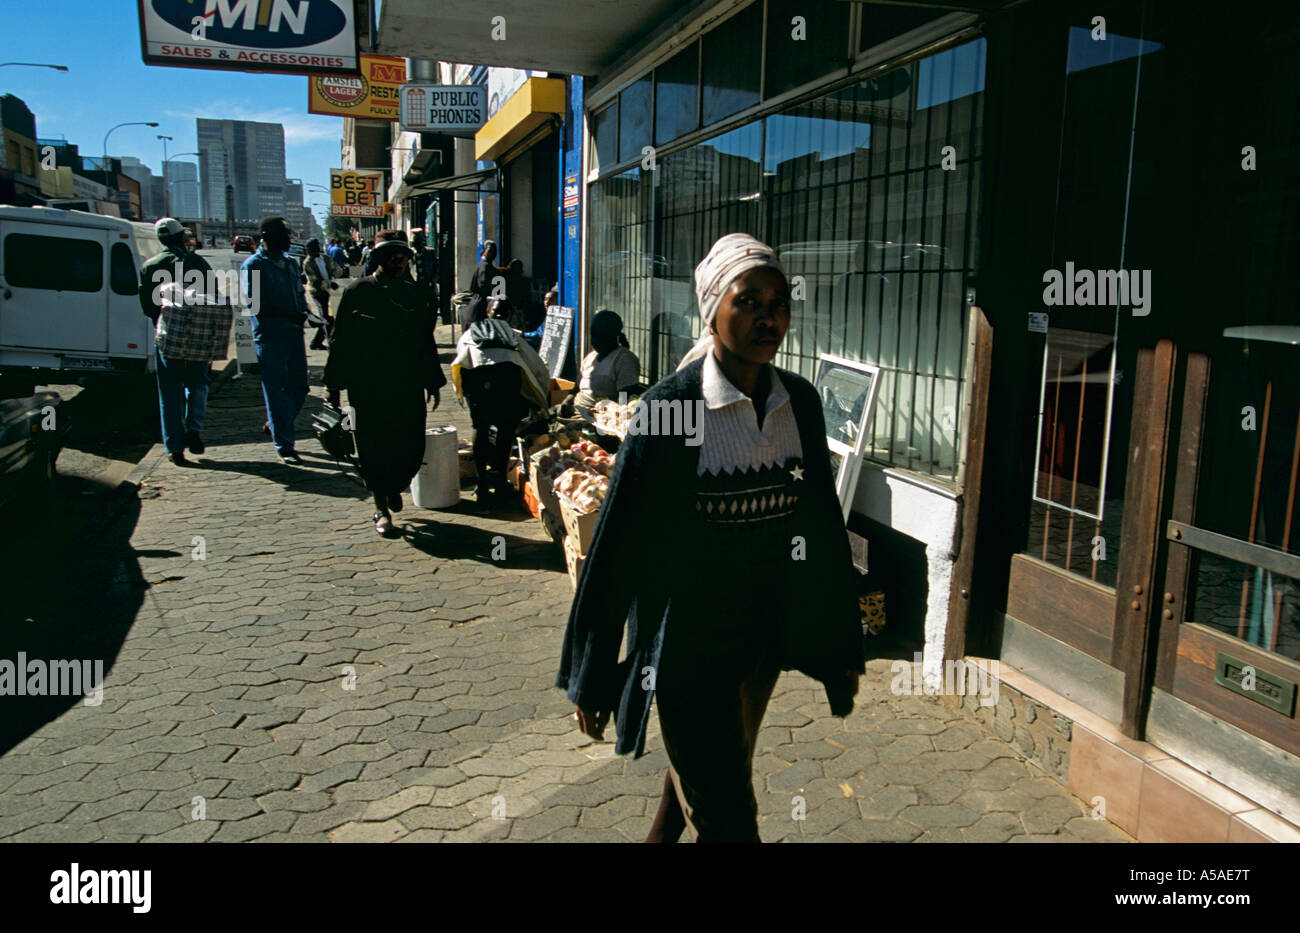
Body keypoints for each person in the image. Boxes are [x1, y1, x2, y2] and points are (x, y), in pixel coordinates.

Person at [556, 233, 865, 843]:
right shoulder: (671, 409)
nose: (767, 317)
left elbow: (820, 529)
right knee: (730, 819)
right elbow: (618, 548)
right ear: (712, 309)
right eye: (748, 301)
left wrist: (837, 642)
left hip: (762, 643)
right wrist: (591, 676)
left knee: (718, 766)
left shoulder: (797, 402)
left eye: (778, 302)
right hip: (686, 651)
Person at [324, 230, 446, 537]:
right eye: (393, 257)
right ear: (379, 259)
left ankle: (395, 485)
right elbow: (340, 343)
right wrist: (333, 387)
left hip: (407, 383)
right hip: (368, 386)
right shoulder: (357, 292)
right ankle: (380, 507)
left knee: (410, 444)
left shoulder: (416, 295)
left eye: (403, 258)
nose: (398, 263)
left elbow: (425, 341)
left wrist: (432, 381)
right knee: (374, 447)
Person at [451, 297, 549, 500]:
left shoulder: (470, 333)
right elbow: (535, 365)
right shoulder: (512, 336)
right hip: (505, 387)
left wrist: (465, 392)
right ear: (487, 312)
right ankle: (498, 482)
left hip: (480, 387)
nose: (499, 316)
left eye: (502, 313)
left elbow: (459, 359)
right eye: (497, 312)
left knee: (482, 429)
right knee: (504, 432)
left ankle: (483, 484)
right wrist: (541, 391)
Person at [139, 217, 215, 466]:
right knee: (198, 384)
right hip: (196, 335)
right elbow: (212, 296)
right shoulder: (197, 262)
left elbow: (148, 306)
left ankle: (174, 448)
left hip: (167, 336)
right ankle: (193, 428)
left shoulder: (150, 266)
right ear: (181, 238)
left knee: (169, 393)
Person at [241, 216, 310, 465]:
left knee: (300, 387)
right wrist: (287, 314)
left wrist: (303, 311)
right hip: (270, 337)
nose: (288, 240)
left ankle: (276, 423)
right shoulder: (254, 266)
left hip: (294, 334)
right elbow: (255, 304)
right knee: (276, 392)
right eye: (284, 235)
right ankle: (285, 445)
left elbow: (300, 293)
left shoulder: (291, 263)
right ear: (268, 237)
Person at [576, 310, 641, 406]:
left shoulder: (625, 360)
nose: (595, 341)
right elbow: (575, 388)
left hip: (601, 415)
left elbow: (626, 398)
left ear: (613, 336)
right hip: (576, 409)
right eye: (593, 336)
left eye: (600, 337)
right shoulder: (590, 357)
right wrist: (565, 402)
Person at [304, 238, 343, 350]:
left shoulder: (325, 258)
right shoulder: (307, 263)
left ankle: (316, 342)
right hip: (317, 292)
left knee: (329, 318)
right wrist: (329, 283)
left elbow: (336, 270)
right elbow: (314, 281)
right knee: (325, 318)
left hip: (329, 291)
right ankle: (332, 343)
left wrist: (339, 274)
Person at [463, 240, 502, 329]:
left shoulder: (484, 267)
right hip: (480, 308)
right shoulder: (485, 268)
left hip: (482, 308)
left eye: (493, 251)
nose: (491, 254)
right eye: (490, 251)